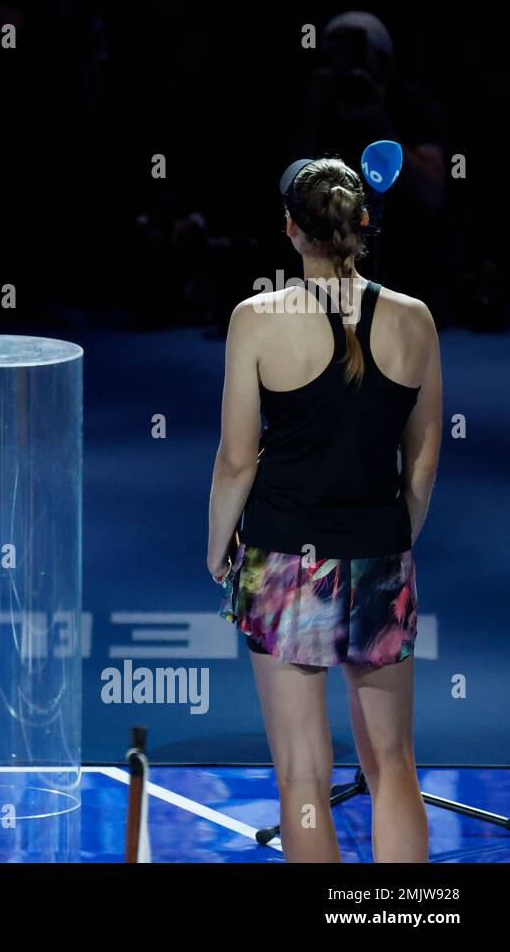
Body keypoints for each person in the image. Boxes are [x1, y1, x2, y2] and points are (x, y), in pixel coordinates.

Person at [207, 157, 441, 862]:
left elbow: (238, 460)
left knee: (303, 778)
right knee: (393, 765)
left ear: (291, 228)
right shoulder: (415, 320)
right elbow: (422, 462)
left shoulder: (255, 319)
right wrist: (389, 543)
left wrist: (218, 546)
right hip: (380, 553)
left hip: (281, 560)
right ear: (360, 223)